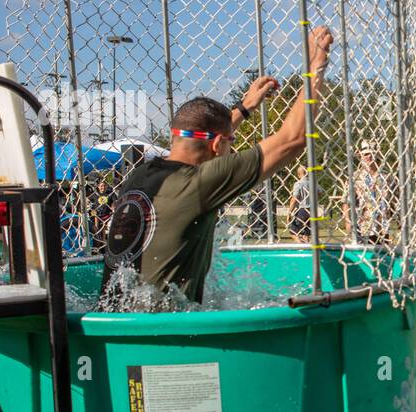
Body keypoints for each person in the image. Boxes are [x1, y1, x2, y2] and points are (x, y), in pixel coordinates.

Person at [100, 27, 332, 305]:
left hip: (114, 317)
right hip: (165, 328)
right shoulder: (198, 184)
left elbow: (204, 138)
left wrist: (244, 107)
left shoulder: (142, 174)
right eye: (230, 142)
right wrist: (315, 66)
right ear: (217, 145)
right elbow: (292, 139)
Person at [343, 142, 394, 245]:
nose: (369, 156)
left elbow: (394, 200)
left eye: (372, 153)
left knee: (384, 252)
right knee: (366, 251)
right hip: (364, 225)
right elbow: (346, 201)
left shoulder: (386, 177)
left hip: (383, 225)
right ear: (361, 156)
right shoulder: (355, 177)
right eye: (366, 154)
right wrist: (347, 221)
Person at [287, 163, 311, 242]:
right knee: (306, 233)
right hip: (312, 209)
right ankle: (306, 246)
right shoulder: (313, 183)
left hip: (302, 209)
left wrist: (289, 212)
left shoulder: (298, 184)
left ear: (298, 174)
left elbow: (294, 199)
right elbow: (320, 192)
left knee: (293, 232)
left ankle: (301, 245)